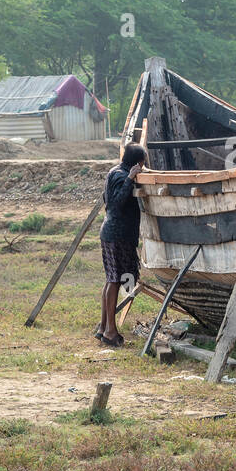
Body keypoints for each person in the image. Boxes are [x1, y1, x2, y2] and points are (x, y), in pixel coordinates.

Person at [96, 144, 146, 345]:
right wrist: (130, 179)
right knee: (115, 280)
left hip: (111, 232)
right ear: (136, 163)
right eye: (143, 163)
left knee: (112, 280)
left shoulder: (114, 171)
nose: (144, 166)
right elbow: (116, 203)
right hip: (118, 234)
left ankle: (103, 327)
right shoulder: (121, 176)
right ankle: (110, 331)